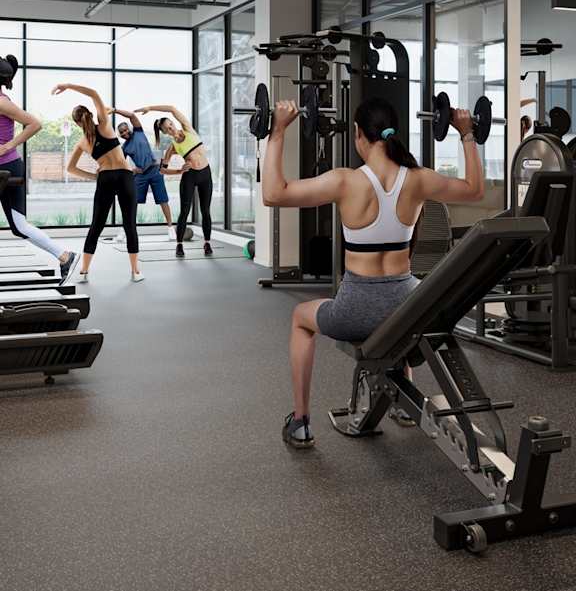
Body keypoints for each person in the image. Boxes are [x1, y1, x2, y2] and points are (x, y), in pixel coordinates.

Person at [262, 96, 484, 449]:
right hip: (410, 309)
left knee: (300, 318)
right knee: (403, 307)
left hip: (355, 311)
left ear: (359, 135)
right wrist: (467, 134)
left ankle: (301, 421)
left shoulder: (345, 181)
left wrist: (277, 131)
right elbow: (475, 190)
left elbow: (273, 194)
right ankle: (404, 407)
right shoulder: (418, 179)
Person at [53, 83, 143, 283]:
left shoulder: (82, 142)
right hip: (124, 175)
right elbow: (94, 93)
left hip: (105, 179)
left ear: (77, 123)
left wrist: (95, 176)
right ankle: (136, 272)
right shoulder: (104, 124)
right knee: (130, 225)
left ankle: (84, 272)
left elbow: (70, 168)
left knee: (96, 226)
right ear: (90, 115)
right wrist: (67, 86)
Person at [0, 55, 79, 283]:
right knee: (18, 227)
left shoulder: (2, 101)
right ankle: (65, 257)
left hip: (8, 168)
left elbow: (35, 123)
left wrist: (8, 146)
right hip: (6, 167)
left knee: (20, 225)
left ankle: (66, 257)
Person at [135, 104, 213, 259]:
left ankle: (207, 242)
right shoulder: (172, 148)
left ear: (173, 123)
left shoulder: (188, 128)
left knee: (205, 211)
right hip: (190, 177)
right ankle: (179, 245)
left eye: (170, 124)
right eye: (167, 129)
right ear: (165, 133)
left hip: (205, 174)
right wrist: (180, 171)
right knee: (185, 212)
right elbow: (162, 170)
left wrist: (150, 108)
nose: (171, 128)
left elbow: (171, 108)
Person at [115, 109, 175, 241]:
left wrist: (114, 111)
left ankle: (171, 228)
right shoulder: (124, 148)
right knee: (132, 203)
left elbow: (131, 115)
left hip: (155, 171)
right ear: (120, 135)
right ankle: (124, 230)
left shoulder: (138, 132)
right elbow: (120, 165)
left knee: (163, 200)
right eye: (122, 132)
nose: (125, 133)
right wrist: (133, 170)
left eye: (126, 129)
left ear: (130, 128)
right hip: (140, 176)